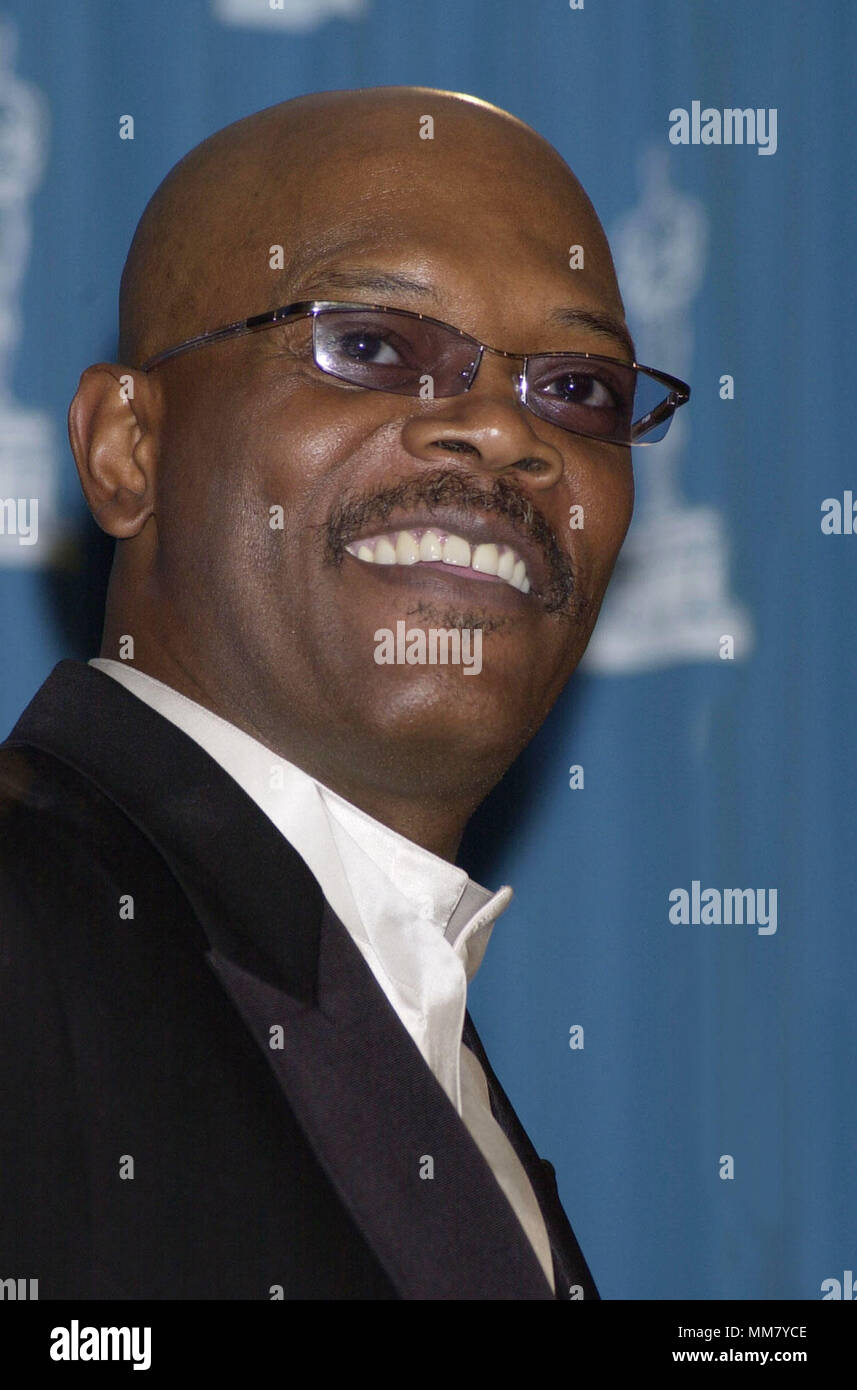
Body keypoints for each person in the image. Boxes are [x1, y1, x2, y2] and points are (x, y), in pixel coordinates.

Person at [0, 86, 688, 1300]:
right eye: (373, 345)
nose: (500, 432)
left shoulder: (425, 1042)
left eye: (577, 389)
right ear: (127, 450)